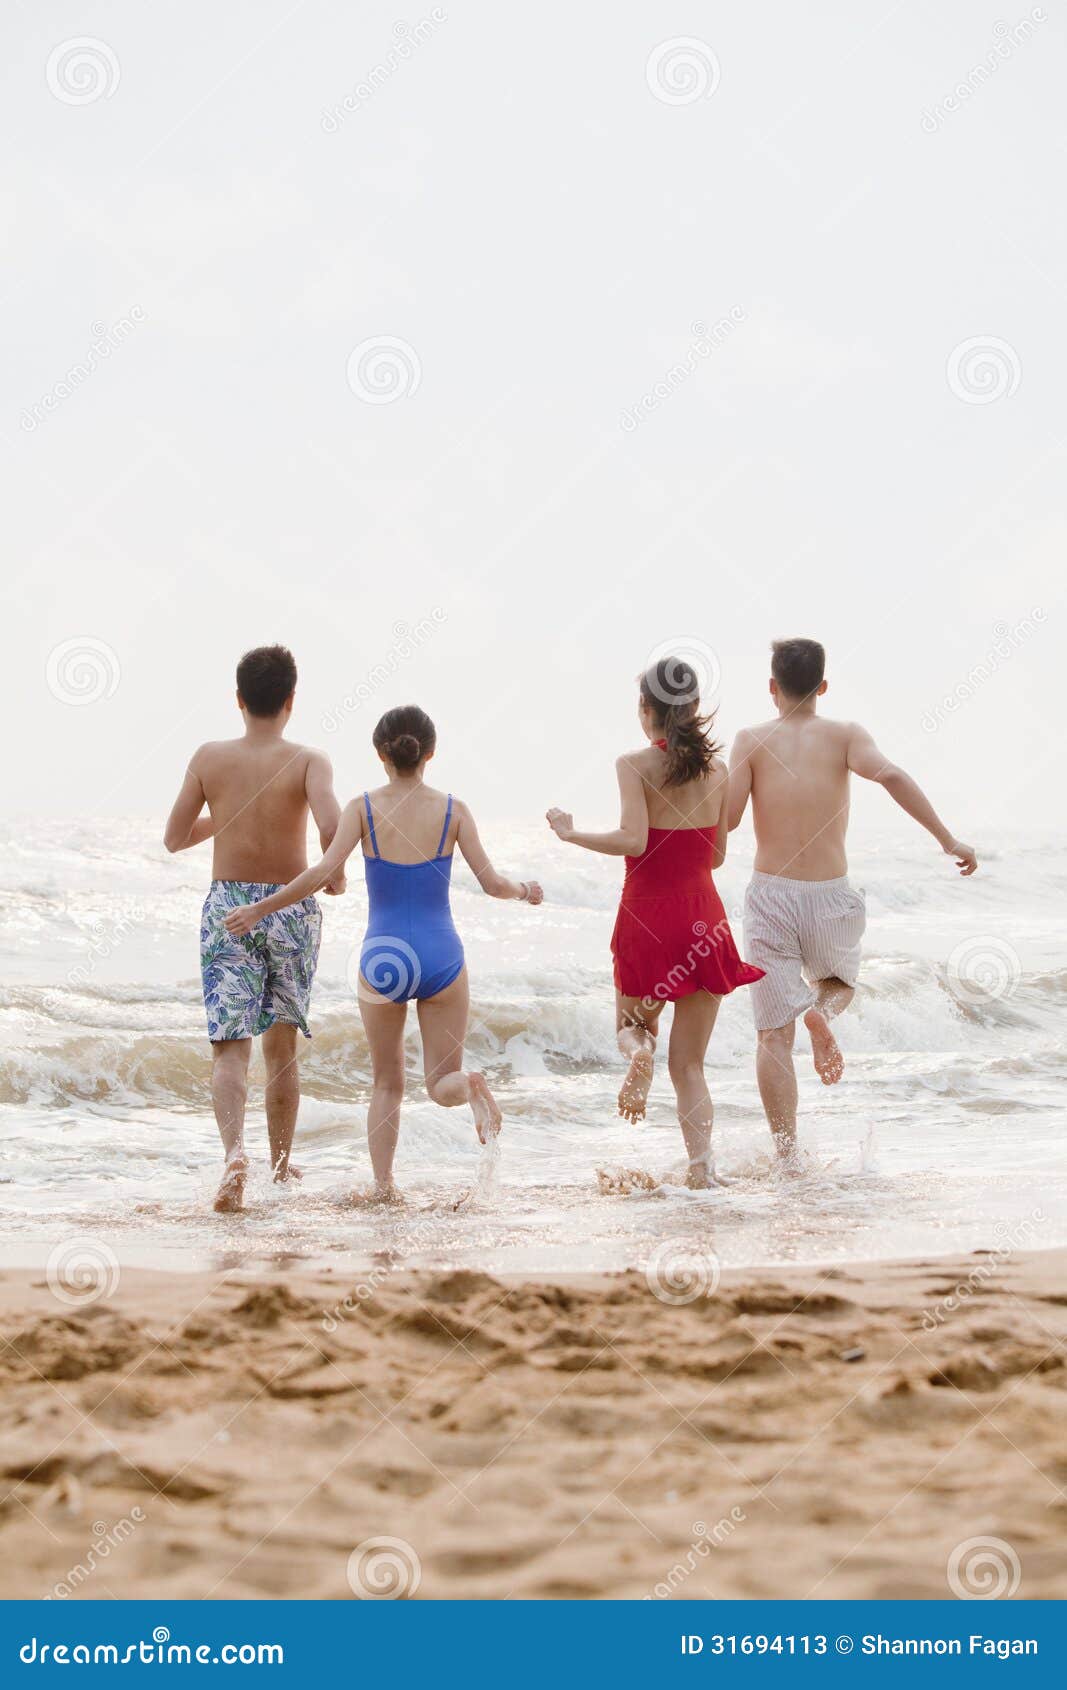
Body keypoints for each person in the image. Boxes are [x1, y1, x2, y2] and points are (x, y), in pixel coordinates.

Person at [223, 704, 543, 1201]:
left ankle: (384, 1187)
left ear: (380, 754)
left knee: (387, 1084)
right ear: (430, 753)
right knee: (440, 1083)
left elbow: (321, 873)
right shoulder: (454, 810)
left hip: (383, 958)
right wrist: (526, 891)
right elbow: (493, 883)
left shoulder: (362, 808)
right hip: (441, 954)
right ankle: (470, 1086)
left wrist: (260, 908)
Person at [728, 637, 978, 1162]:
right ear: (822, 686)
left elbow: (726, 821)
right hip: (829, 895)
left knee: (772, 1036)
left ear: (771, 686)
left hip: (771, 896)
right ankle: (821, 1013)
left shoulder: (750, 739)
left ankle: (788, 1159)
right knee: (838, 984)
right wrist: (948, 840)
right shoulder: (846, 734)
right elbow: (890, 775)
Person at [546, 659, 764, 1189]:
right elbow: (715, 857)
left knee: (632, 1027)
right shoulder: (719, 771)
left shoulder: (633, 764)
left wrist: (572, 835)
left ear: (646, 709)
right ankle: (702, 1171)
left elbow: (634, 840)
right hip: (703, 917)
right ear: (693, 708)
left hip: (647, 915)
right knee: (689, 1067)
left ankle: (639, 1055)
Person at [163, 644, 344, 1212]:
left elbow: (174, 837)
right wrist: (335, 877)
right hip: (290, 905)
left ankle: (234, 1156)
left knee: (229, 1049)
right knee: (281, 1045)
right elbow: (332, 829)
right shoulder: (310, 761)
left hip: (229, 909)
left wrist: (228, 811)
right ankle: (282, 1167)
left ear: (238, 699)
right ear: (291, 700)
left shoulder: (209, 757)